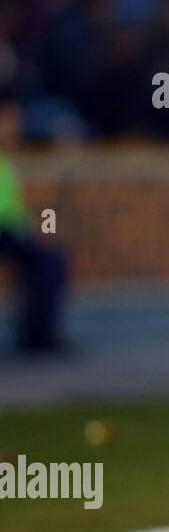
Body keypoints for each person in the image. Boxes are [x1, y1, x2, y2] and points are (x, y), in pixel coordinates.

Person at [0, 95, 68, 354]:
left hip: (10, 232)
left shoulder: (5, 161)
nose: (12, 128)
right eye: (7, 120)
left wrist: (33, 232)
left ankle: (38, 335)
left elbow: (11, 209)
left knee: (51, 259)